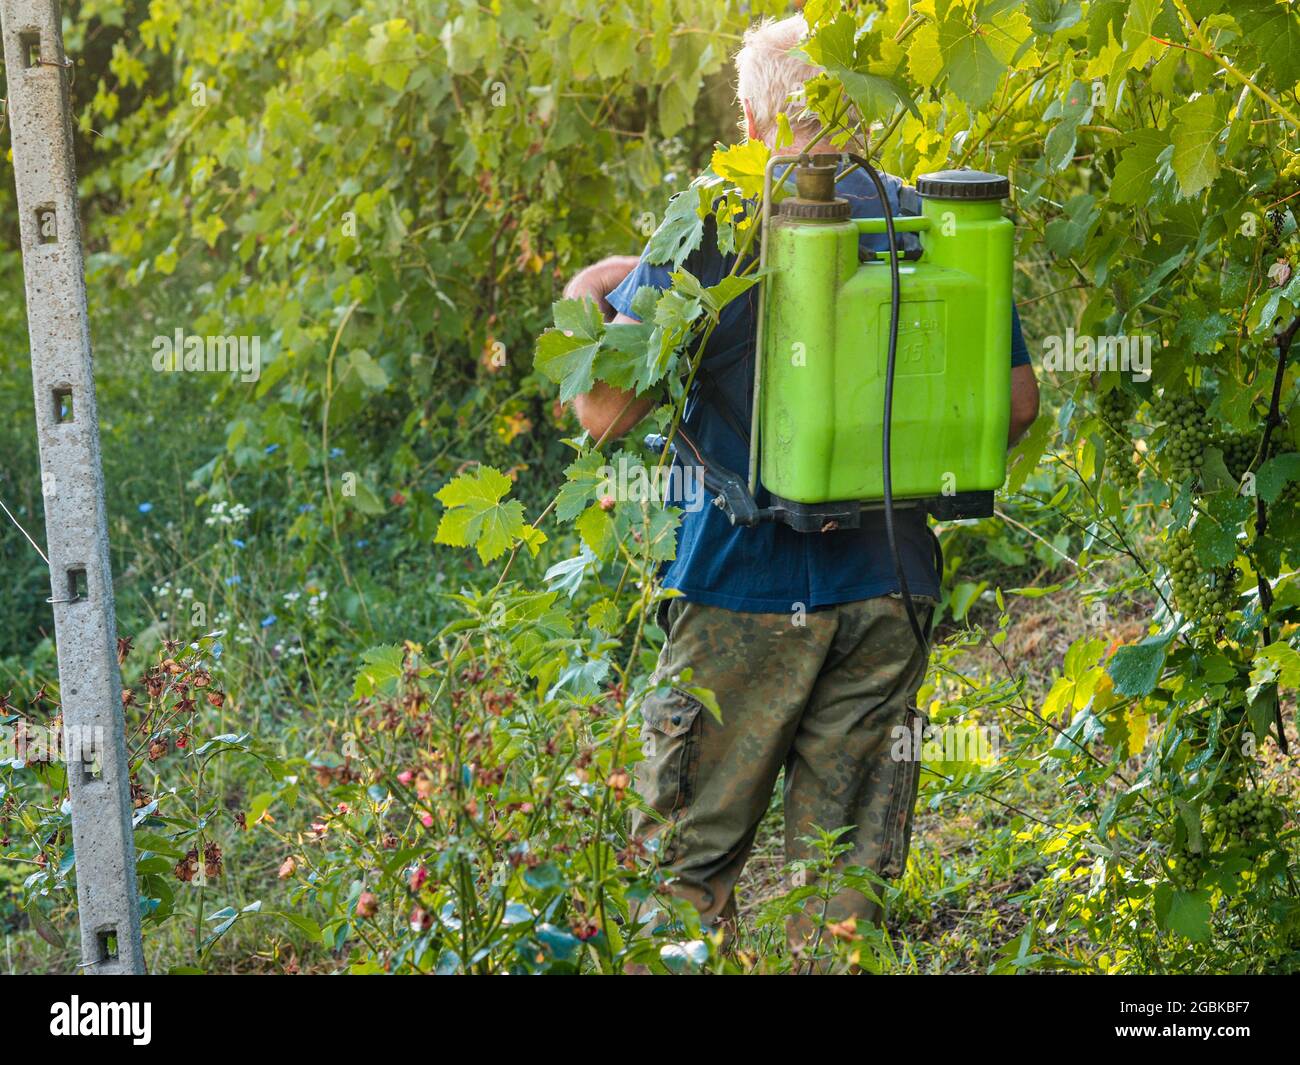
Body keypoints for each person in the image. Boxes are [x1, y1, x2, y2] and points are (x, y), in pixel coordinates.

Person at [563, 15, 1040, 941]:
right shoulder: (936, 221)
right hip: (889, 590)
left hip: (738, 592)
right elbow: (1016, 404)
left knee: (683, 870)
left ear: (752, 120)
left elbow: (607, 413)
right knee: (843, 897)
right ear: (854, 103)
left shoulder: (716, 224)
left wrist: (592, 286)